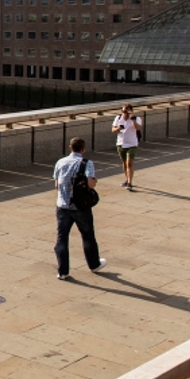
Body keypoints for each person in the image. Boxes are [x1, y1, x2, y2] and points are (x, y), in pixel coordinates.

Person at [52, 137, 106, 281]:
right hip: (80, 206)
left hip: (62, 206)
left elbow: (57, 185)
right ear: (83, 149)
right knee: (87, 235)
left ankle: (62, 271)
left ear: (70, 147)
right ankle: (94, 264)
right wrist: (94, 181)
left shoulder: (60, 162)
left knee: (62, 238)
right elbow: (90, 184)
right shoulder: (86, 163)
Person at [112, 104, 143, 190]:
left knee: (129, 163)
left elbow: (138, 128)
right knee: (125, 163)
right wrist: (118, 128)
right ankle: (127, 179)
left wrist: (132, 119)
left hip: (132, 144)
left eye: (127, 111)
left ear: (131, 111)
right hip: (121, 143)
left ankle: (129, 183)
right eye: (123, 111)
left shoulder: (137, 119)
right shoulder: (118, 118)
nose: (125, 113)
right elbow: (113, 130)